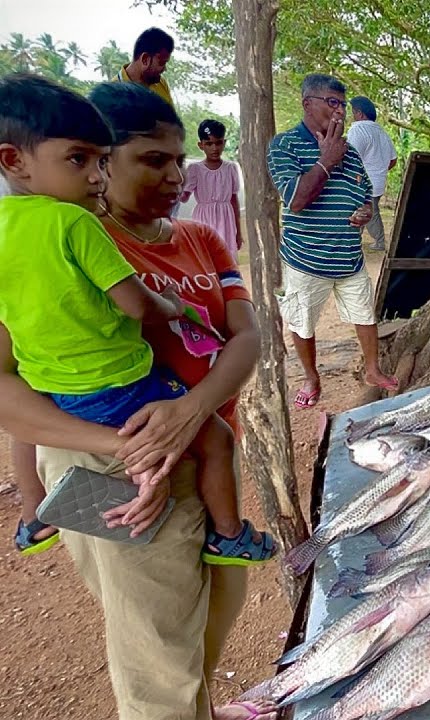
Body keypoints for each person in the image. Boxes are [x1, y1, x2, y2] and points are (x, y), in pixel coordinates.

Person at [0, 78, 278, 720]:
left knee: (215, 609)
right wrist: (130, 445)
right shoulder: (56, 243)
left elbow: (246, 337)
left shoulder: (199, 238)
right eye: (152, 159)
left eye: (179, 159)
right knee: (158, 650)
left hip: (204, 451)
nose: (175, 175)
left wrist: (190, 410)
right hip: (116, 465)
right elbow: (10, 385)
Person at [268, 74, 399, 407]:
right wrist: (325, 160)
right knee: (302, 322)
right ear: (307, 103)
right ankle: (312, 378)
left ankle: (372, 370)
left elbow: (364, 193)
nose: (340, 110)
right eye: (332, 102)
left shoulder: (350, 152)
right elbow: (295, 199)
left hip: (349, 257)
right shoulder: (284, 145)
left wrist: (365, 211)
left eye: (342, 104)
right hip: (306, 259)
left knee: (365, 314)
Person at [181, 119, 243, 257]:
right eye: (209, 144)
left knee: (225, 258)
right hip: (203, 219)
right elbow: (184, 197)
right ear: (201, 145)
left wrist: (238, 232)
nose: (214, 148)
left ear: (224, 143)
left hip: (225, 220)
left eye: (218, 143)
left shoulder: (230, 168)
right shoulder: (195, 169)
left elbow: (233, 200)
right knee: (206, 255)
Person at [347, 96, 397, 251]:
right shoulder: (382, 132)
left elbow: (351, 158)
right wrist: (379, 170)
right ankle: (355, 239)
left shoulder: (358, 129)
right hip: (378, 181)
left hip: (362, 181)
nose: (352, 116)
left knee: (367, 212)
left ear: (360, 113)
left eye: (353, 112)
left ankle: (378, 241)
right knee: (364, 210)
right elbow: (393, 160)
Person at [117, 27, 175, 108]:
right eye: (162, 63)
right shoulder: (112, 96)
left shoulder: (161, 84)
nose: (165, 69)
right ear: (145, 59)